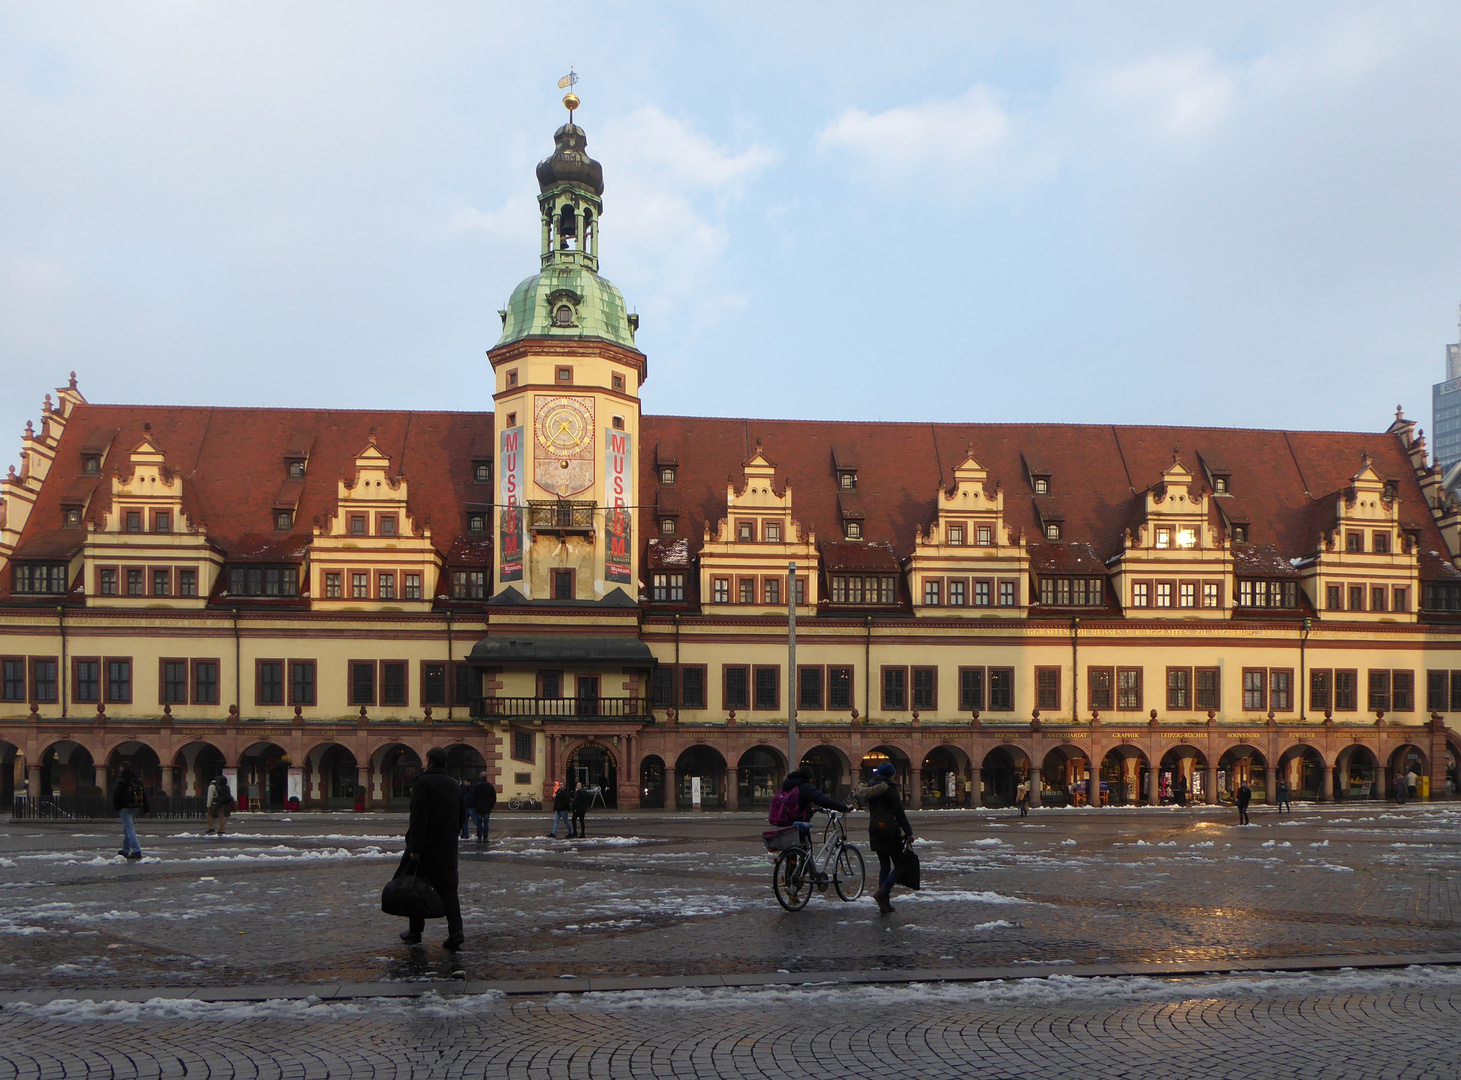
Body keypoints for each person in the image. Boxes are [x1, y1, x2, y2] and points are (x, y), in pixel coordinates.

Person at [399, 747, 466, 951]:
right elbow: (462, 814)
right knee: (448, 890)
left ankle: (415, 931)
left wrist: (415, 847)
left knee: (417, 887)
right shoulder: (454, 785)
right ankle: (456, 931)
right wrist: (452, 833)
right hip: (447, 846)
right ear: (444, 763)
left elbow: (418, 817)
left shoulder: (423, 782)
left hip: (427, 846)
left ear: (428, 761)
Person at [853, 763, 914, 914]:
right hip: (890, 831)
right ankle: (883, 892)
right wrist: (909, 832)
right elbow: (899, 812)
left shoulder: (870, 788)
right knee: (901, 864)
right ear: (891, 775)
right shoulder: (890, 788)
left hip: (875, 829)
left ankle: (884, 903)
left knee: (884, 866)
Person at [112, 764, 149, 860]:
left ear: (122, 769)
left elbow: (116, 792)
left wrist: (116, 806)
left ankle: (137, 850)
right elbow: (144, 794)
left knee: (129, 828)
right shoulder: (137, 780)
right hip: (135, 806)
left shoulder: (121, 779)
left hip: (124, 807)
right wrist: (146, 808)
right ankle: (126, 849)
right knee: (127, 828)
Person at [470, 771, 497, 843]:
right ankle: (485, 837)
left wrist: (474, 806)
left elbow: (473, 797)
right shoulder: (490, 786)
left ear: (480, 777)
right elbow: (494, 798)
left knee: (479, 824)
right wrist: (490, 806)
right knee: (486, 824)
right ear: (486, 777)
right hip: (487, 808)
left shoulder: (476, 786)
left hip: (478, 808)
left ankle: (479, 838)